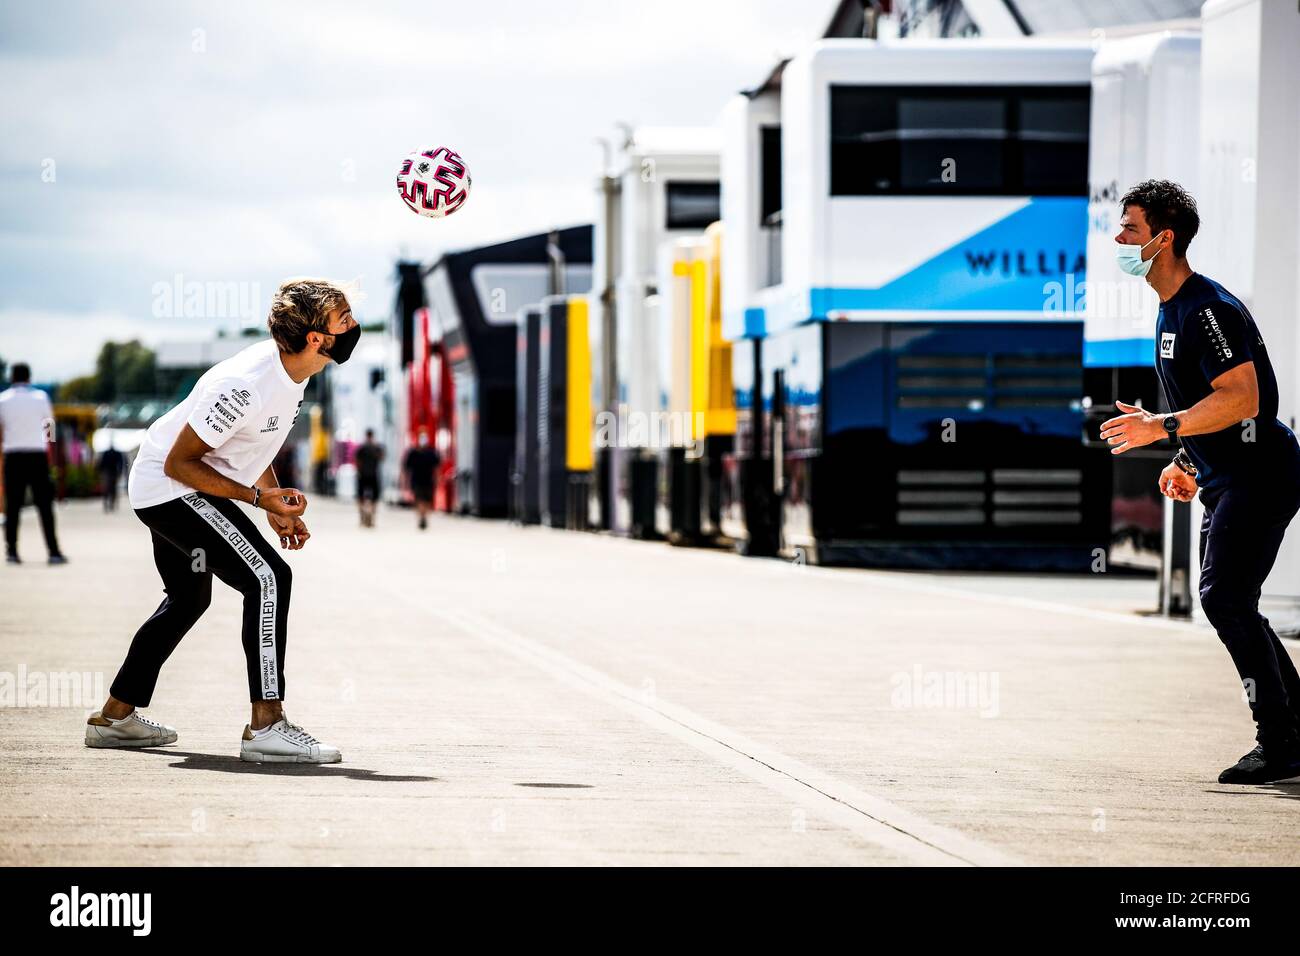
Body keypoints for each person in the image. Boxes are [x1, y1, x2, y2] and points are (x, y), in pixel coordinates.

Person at [86, 278, 362, 764]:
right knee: (269, 578)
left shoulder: (293, 372)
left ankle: (114, 718)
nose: (355, 327)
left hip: (175, 484)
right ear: (318, 338)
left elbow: (255, 444)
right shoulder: (247, 383)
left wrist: (273, 499)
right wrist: (258, 499)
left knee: (189, 597)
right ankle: (266, 726)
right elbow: (181, 464)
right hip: (171, 486)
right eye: (346, 321)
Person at [1101, 180, 1300, 785]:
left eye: (1130, 229)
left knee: (1224, 599)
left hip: (1259, 474)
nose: (1120, 239)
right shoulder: (1170, 307)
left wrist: (1159, 427)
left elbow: (1243, 398)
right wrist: (1187, 461)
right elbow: (1205, 404)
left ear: (1165, 238)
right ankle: (1292, 727)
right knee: (1234, 601)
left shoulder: (1205, 308)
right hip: (1227, 476)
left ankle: (1281, 740)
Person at [0, 363, 66, 565]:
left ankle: (12, 551)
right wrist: (52, 454)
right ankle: (53, 551)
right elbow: (50, 427)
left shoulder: (3, 400)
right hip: (37, 456)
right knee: (45, 506)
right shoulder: (40, 397)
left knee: (13, 506)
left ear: (12, 377)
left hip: (13, 455)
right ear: (29, 377)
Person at [402, 429, 440, 530]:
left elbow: (437, 467)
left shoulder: (431, 452)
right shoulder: (413, 453)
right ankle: (421, 517)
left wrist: (437, 479)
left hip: (428, 480)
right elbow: (406, 468)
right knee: (419, 499)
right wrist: (405, 481)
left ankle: (424, 516)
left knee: (427, 500)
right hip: (416, 480)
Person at [354, 428, 384, 528]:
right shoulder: (377, 447)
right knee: (375, 497)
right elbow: (382, 457)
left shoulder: (362, 447)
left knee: (360, 496)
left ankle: (362, 513)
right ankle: (372, 516)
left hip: (362, 475)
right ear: (372, 436)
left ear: (366, 435)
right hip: (373, 475)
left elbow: (357, 461)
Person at [99, 442, 125, 512]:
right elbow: (121, 463)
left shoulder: (106, 453)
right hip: (112, 472)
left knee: (108, 489)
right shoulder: (116, 453)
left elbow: (101, 463)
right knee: (111, 489)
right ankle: (110, 504)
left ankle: (108, 504)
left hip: (109, 472)